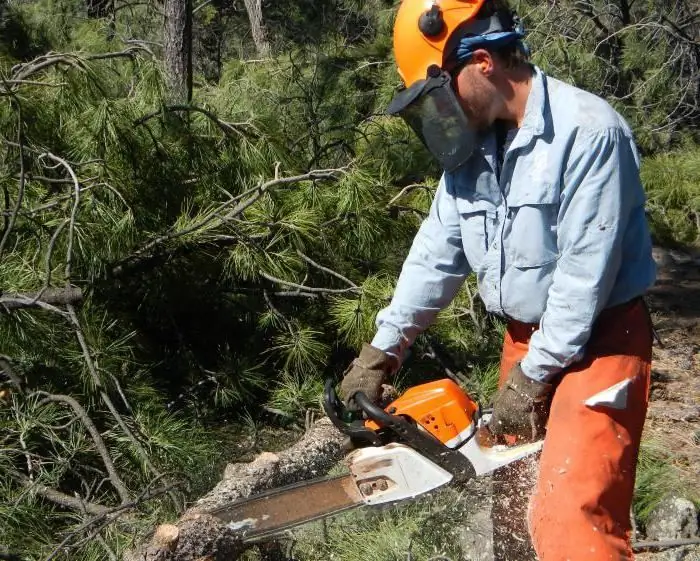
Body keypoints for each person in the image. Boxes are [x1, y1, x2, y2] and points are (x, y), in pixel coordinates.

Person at [339, 0, 657, 559]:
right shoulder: (472, 154)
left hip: (601, 345)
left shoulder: (588, 134)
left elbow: (584, 281)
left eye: (442, 92)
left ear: (482, 61)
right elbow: (436, 256)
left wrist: (534, 377)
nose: (442, 110)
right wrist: (382, 351)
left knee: (570, 519)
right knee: (512, 517)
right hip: (526, 344)